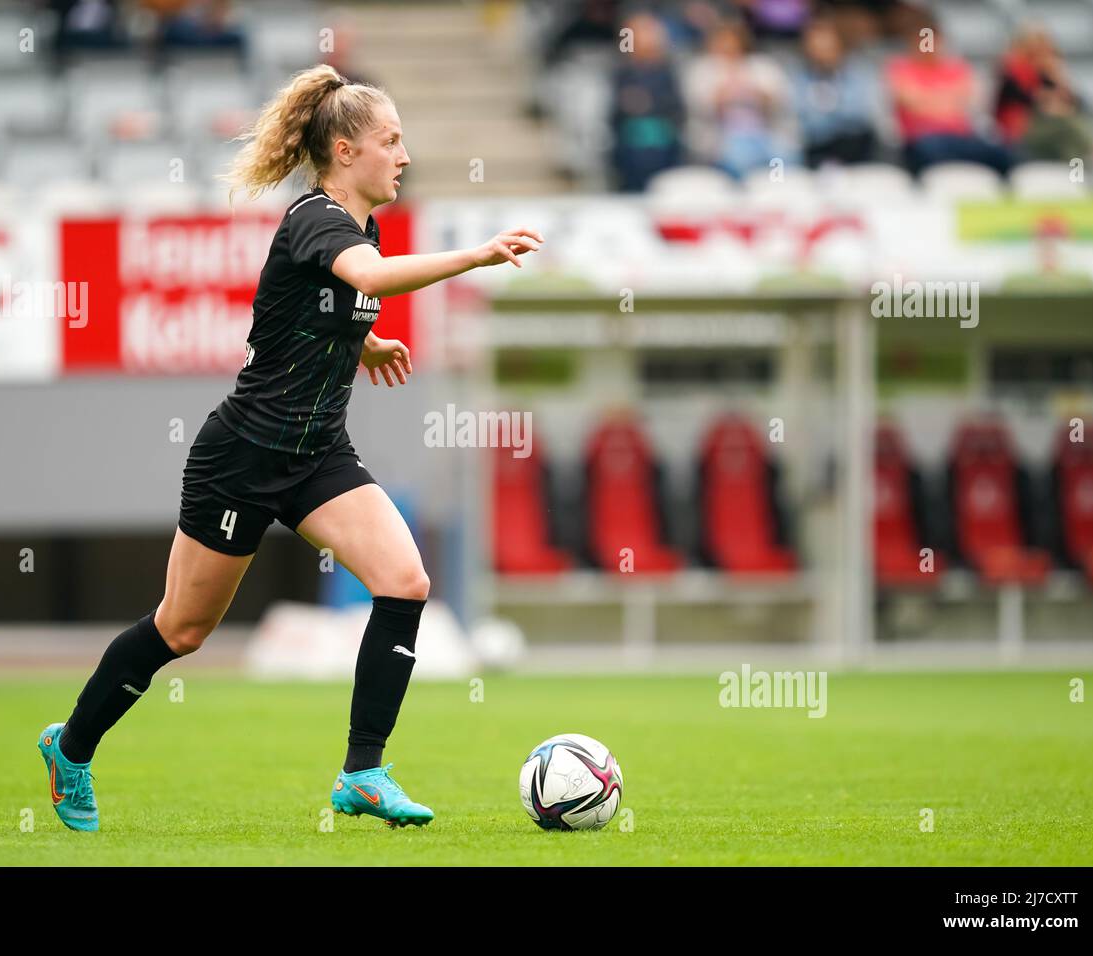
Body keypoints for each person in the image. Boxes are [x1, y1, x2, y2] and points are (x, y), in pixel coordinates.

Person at [36, 64, 544, 831]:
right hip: (241, 456)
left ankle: (363, 773)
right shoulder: (316, 218)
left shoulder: (357, 227)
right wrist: (473, 257)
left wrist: (364, 342)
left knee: (405, 582)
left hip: (317, 455)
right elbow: (365, 274)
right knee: (181, 629)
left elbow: (318, 303)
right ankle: (70, 747)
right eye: (391, 140)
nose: (404, 155)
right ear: (345, 150)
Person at [884, 13, 1012, 176]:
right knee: (931, 151)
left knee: (1002, 153)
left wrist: (928, 99)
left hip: (961, 137)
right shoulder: (899, 67)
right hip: (922, 139)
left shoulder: (956, 67)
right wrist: (944, 98)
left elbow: (966, 102)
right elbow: (911, 102)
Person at [685, 18, 798, 179]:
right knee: (739, 159)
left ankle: (776, 193)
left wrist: (748, 93)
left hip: (765, 135)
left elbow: (779, 101)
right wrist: (733, 93)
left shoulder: (762, 66)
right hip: (724, 140)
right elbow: (702, 105)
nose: (727, 45)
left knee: (783, 158)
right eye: (722, 40)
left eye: (732, 40)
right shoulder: (703, 69)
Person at [994, 24, 1093, 165]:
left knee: (1069, 139)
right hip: (1021, 132)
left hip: (1044, 130)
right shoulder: (1012, 74)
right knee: (1068, 124)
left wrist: (1059, 79)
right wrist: (1048, 98)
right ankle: (1091, 159)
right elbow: (1029, 101)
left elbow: (1078, 104)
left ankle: (1079, 174)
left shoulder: (1045, 76)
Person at [610, 12, 686, 191]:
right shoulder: (621, 71)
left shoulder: (667, 71)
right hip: (628, 142)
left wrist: (649, 105)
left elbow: (677, 108)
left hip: (664, 140)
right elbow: (615, 110)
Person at [791, 17, 879, 167]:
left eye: (827, 48)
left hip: (856, 145)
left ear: (839, 47)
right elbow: (806, 121)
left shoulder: (858, 75)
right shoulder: (798, 81)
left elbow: (859, 114)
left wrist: (828, 115)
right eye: (816, 49)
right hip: (817, 147)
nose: (822, 55)